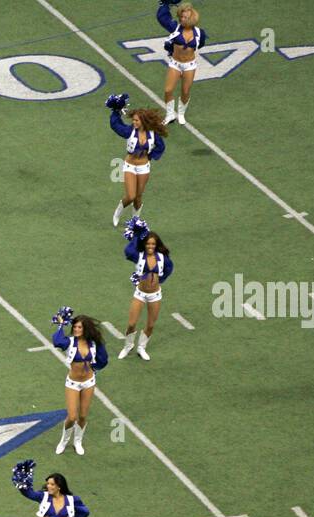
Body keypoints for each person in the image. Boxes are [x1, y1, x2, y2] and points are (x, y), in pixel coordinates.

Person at [50, 309, 109, 455]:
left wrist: (94, 369)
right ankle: (63, 441)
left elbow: (103, 359)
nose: (76, 329)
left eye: (79, 327)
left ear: (85, 329)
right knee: (71, 417)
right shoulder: (69, 342)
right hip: (73, 383)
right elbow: (57, 341)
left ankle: (77, 441)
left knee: (83, 416)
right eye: (75, 327)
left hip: (89, 382)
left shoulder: (93, 344)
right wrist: (61, 325)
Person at [105, 94, 167, 227]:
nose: (134, 122)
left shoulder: (152, 134)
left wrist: (150, 156)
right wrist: (115, 112)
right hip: (129, 165)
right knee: (131, 196)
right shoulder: (130, 131)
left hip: (144, 167)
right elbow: (116, 125)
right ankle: (118, 212)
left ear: (143, 121)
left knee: (138, 197)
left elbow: (161, 146)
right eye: (133, 120)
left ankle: (134, 222)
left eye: (136, 121)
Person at [118, 218, 173, 361]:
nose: (150, 246)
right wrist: (137, 235)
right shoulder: (139, 256)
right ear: (145, 244)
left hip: (155, 295)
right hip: (140, 293)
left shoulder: (162, 258)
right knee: (131, 324)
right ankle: (128, 346)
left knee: (150, 324)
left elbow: (169, 268)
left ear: (156, 245)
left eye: (153, 244)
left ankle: (141, 347)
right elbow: (128, 251)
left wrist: (160, 280)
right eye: (148, 243)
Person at [156, 3, 206, 126]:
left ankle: (181, 114)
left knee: (185, 91)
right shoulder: (175, 28)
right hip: (175, 63)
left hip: (190, 65)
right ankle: (170, 115)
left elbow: (200, 45)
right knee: (168, 90)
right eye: (182, 17)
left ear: (192, 18)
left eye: (186, 17)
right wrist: (164, 5)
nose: (182, 19)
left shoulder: (200, 33)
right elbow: (162, 18)